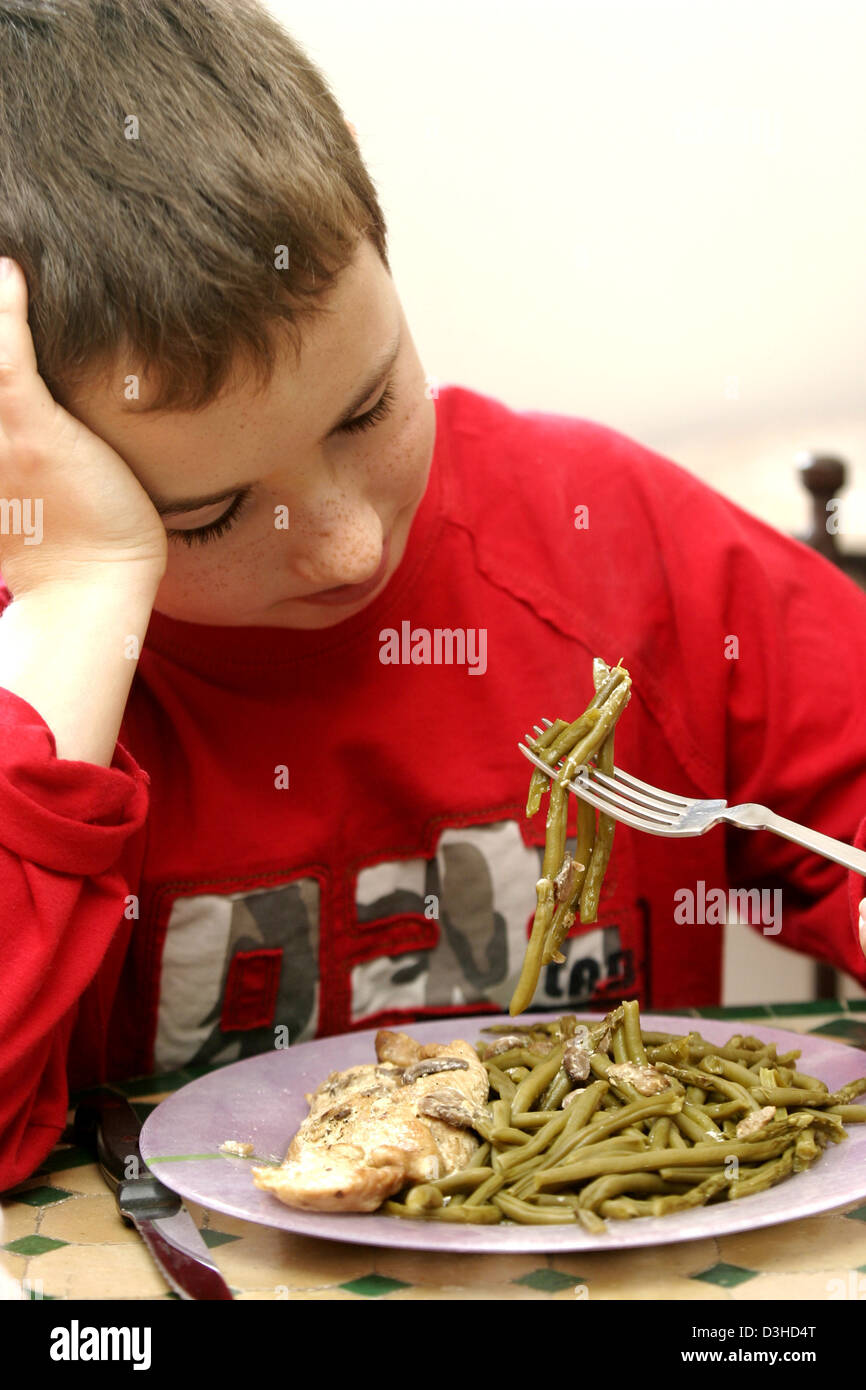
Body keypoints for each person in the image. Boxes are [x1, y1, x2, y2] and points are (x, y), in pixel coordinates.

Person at [0, 0, 864, 1195]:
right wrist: (77, 595)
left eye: (367, 409)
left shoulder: (611, 538)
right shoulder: (33, 650)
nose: (348, 548)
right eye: (206, 514)